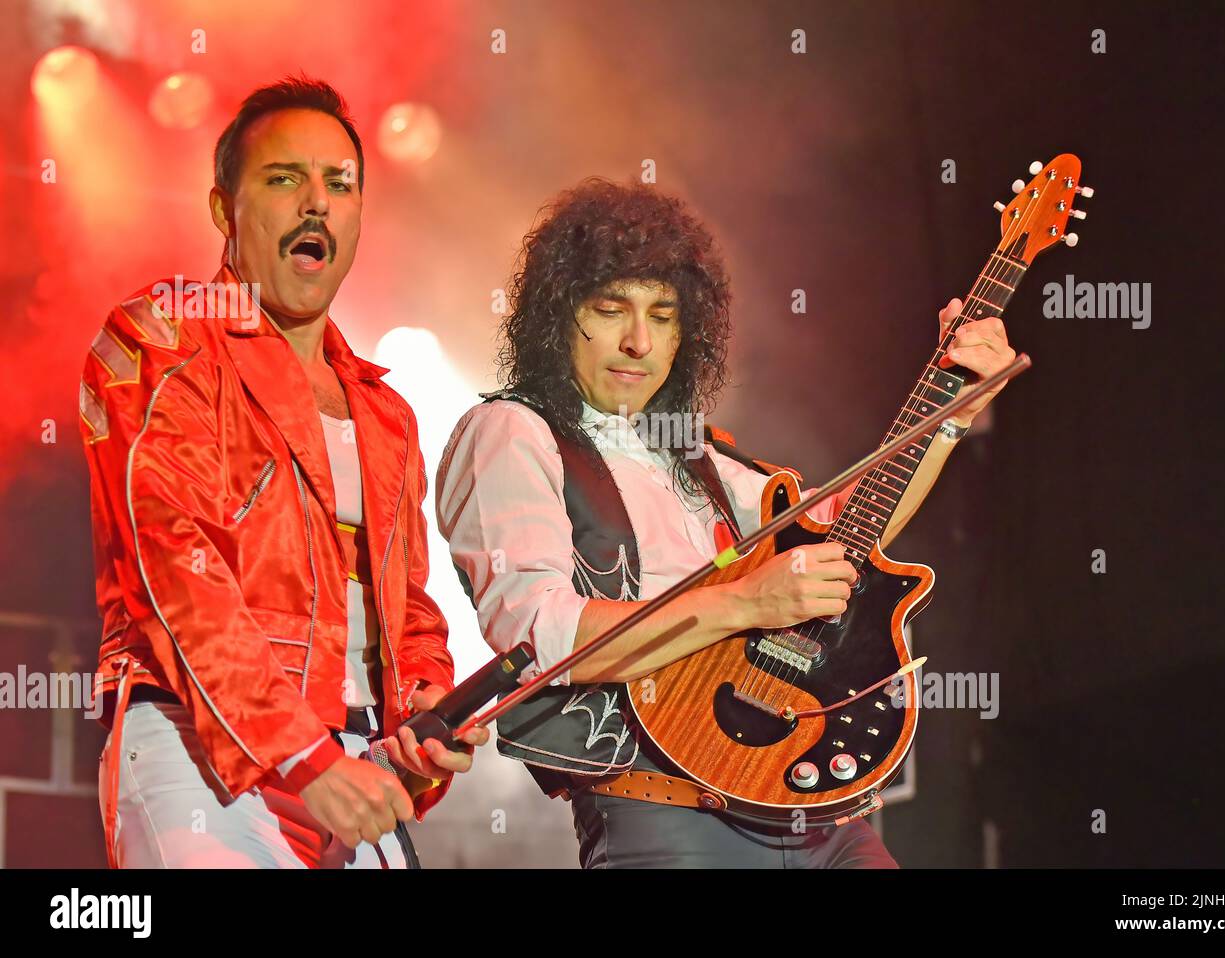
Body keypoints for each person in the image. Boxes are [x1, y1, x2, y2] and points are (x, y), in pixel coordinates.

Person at [436, 177, 1015, 868]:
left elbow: (844, 528)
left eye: (663, 314)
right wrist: (748, 600)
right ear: (559, 314)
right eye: (611, 308)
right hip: (666, 815)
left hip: (814, 807)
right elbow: (542, 638)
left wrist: (951, 408)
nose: (637, 341)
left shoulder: (694, 452)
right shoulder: (512, 430)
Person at [79, 76, 486, 869]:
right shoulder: (163, 338)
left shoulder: (386, 413)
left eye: (340, 184)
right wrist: (301, 754)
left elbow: (406, 609)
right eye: (284, 178)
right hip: (206, 756)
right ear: (223, 210)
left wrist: (426, 708)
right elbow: (173, 569)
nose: (317, 203)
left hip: (354, 769)